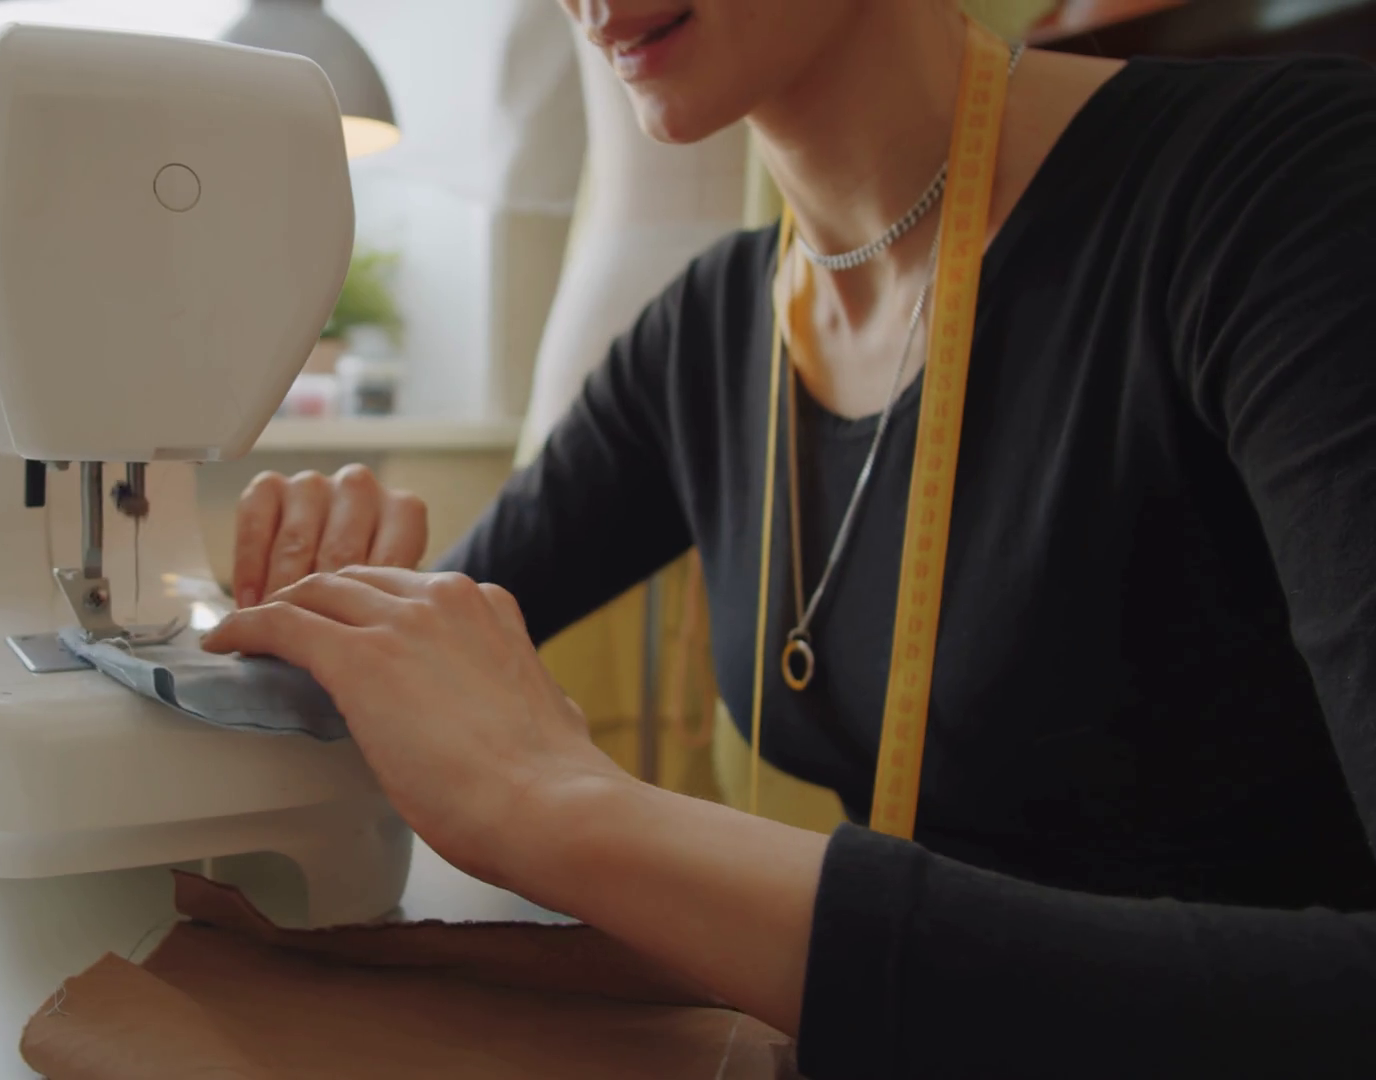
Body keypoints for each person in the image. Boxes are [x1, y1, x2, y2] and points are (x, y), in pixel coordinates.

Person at [200, 0, 1376, 1075]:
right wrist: (347, 593)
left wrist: (570, 810)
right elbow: (430, 656)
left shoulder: (1288, 192)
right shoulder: (706, 336)